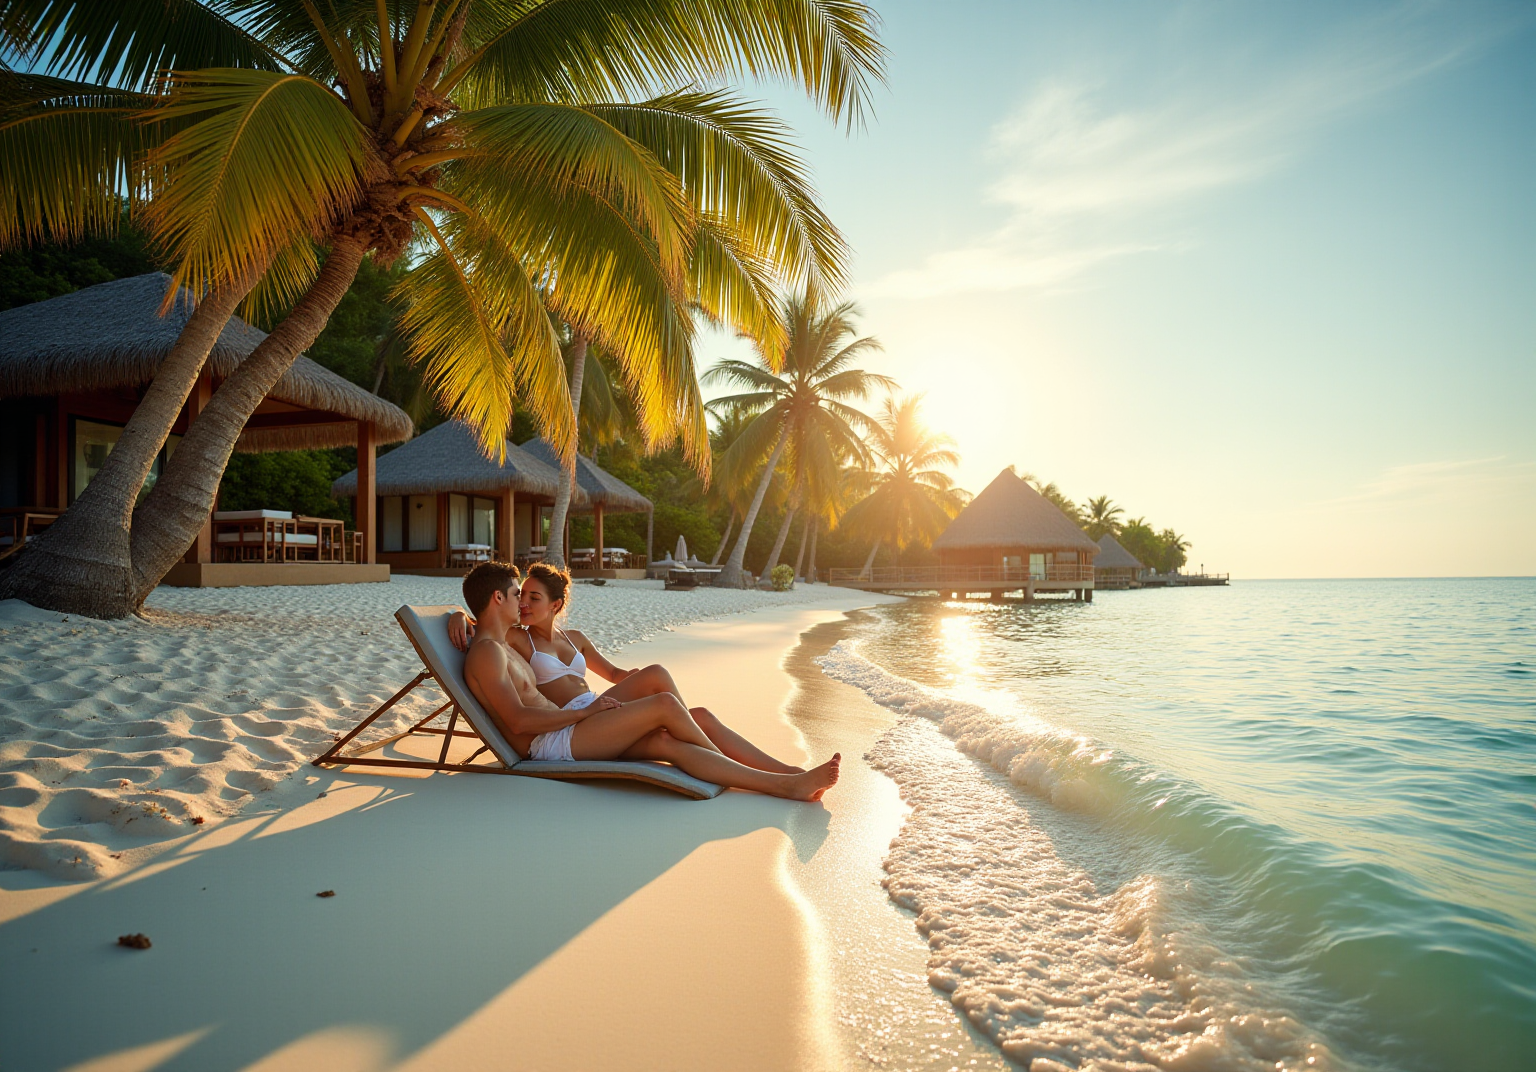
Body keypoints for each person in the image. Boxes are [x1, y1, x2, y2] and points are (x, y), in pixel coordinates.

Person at [459, 562, 840, 800]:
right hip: (551, 744)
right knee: (666, 706)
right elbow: (519, 721)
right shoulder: (493, 649)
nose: (521, 602)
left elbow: (476, 621)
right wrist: (585, 712)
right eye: (516, 594)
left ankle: (787, 778)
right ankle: (747, 773)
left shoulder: (493, 643)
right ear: (498, 598)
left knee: (670, 735)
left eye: (529, 596)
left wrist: (457, 618)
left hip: (572, 728)